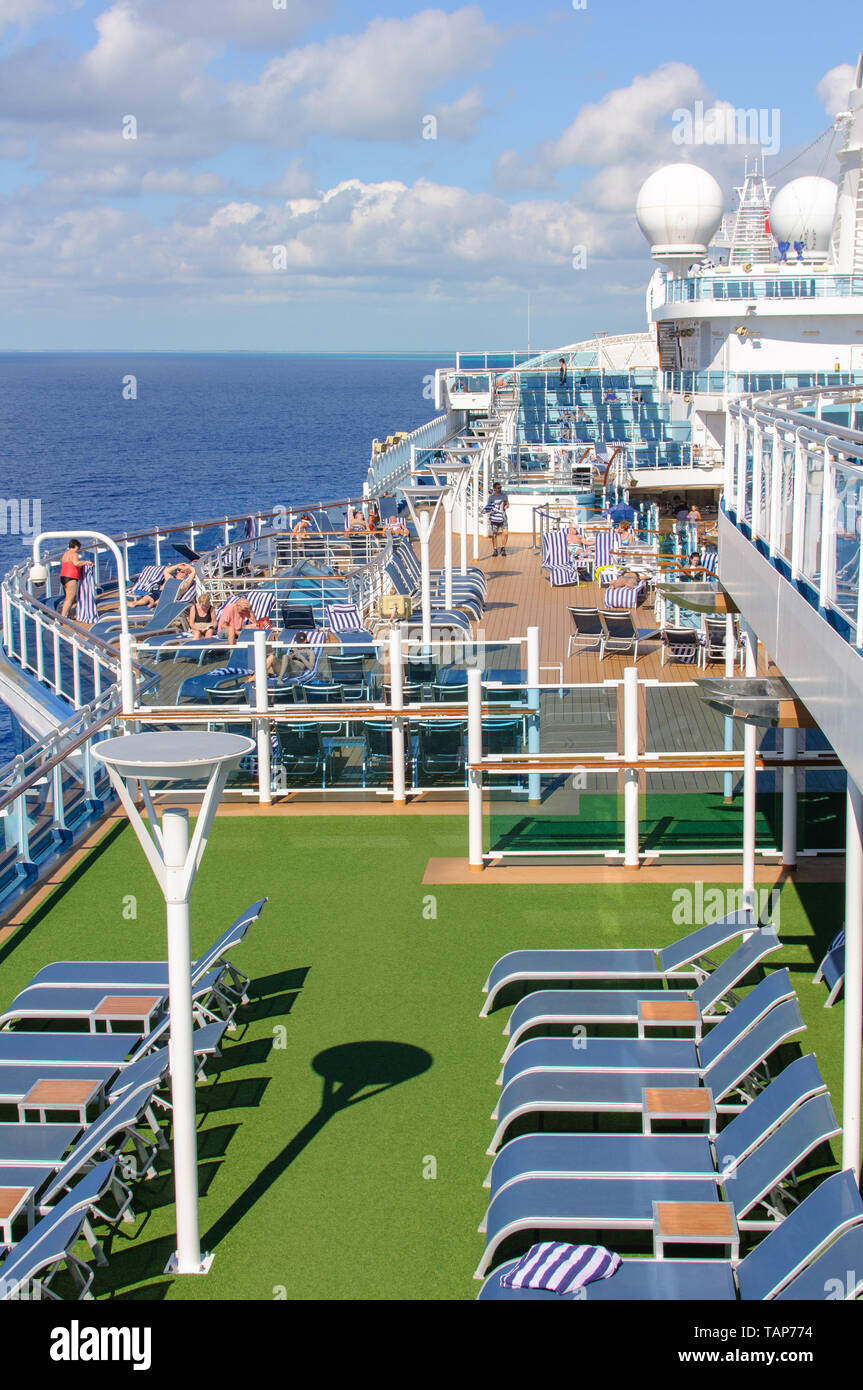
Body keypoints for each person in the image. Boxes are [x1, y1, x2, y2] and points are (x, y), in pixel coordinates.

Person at [59, 539, 92, 619]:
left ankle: (68, 614)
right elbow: (76, 563)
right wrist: (86, 562)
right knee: (69, 598)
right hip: (71, 577)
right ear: (76, 546)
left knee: (69, 597)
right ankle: (63, 617)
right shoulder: (74, 554)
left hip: (63, 576)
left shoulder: (65, 554)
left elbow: (70, 564)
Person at [482, 482, 509, 558]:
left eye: (500, 488)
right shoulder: (491, 497)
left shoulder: (504, 496)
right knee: (494, 534)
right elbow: (489, 507)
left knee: (505, 533)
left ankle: (503, 548)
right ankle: (495, 549)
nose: (499, 489)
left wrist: (506, 506)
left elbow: (507, 504)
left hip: (503, 516)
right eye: (497, 488)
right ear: (494, 489)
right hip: (494, 517)